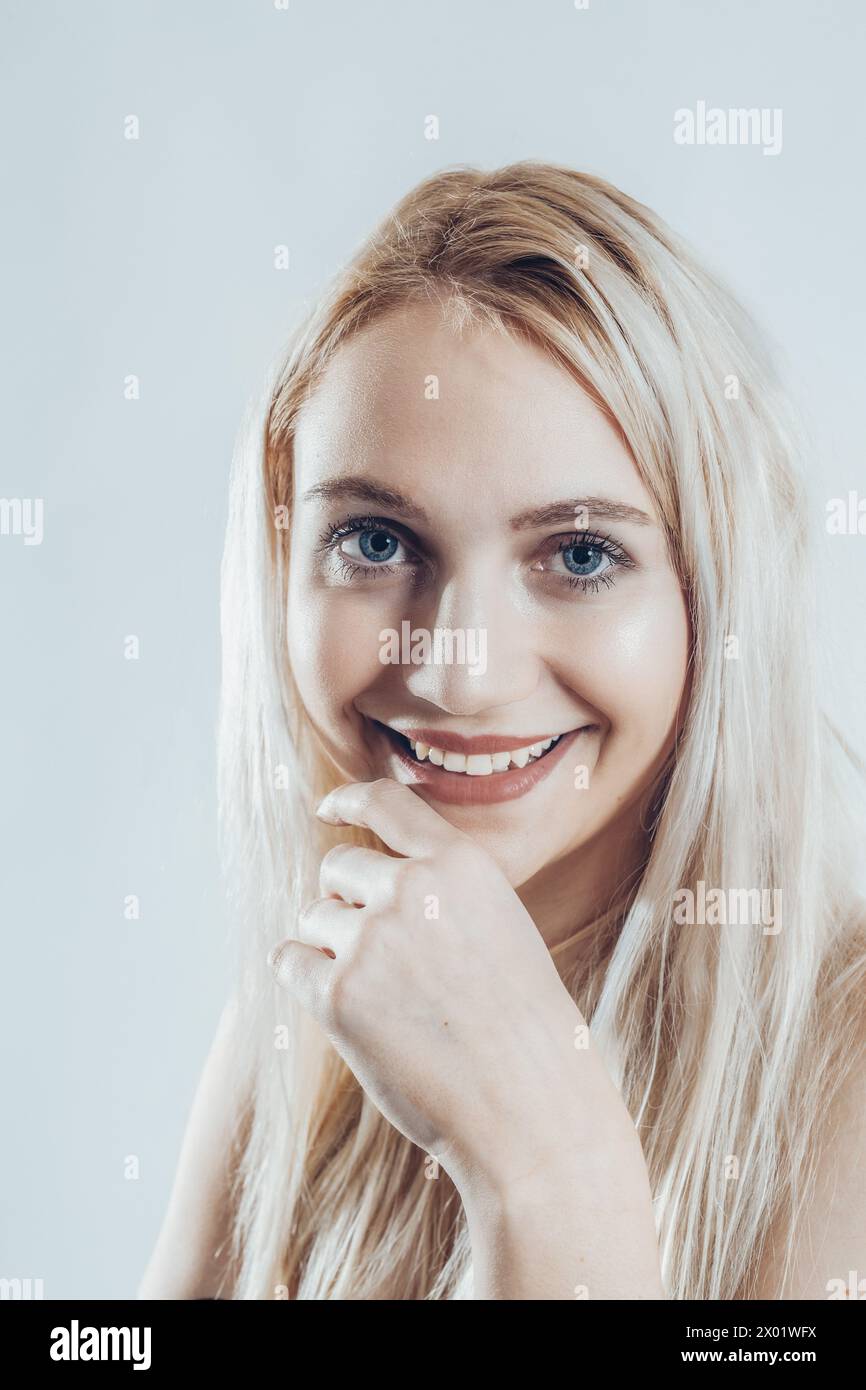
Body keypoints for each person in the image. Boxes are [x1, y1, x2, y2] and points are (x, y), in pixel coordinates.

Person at [139, 161, 866, 1301]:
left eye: (579, 554)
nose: (459, 675)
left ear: (712, 599)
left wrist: (546, 1179)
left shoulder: (846, 1078)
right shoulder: (309, 1004)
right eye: (377, 542)